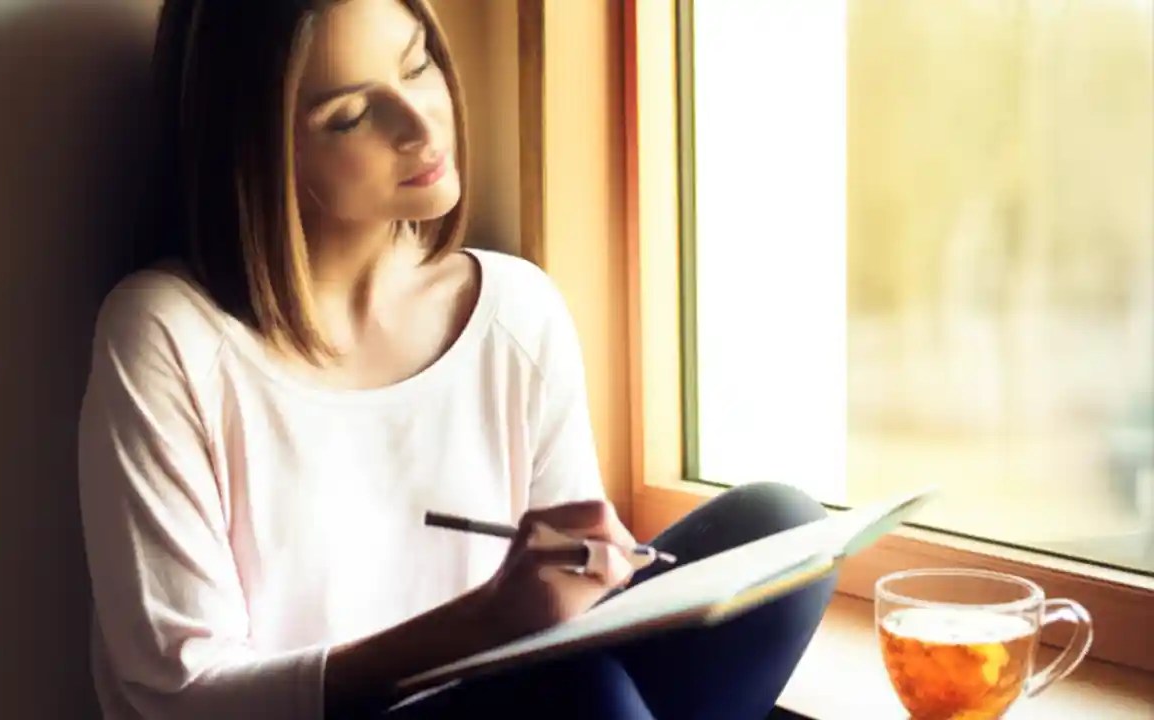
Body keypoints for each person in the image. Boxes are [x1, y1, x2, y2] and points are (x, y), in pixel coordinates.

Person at [76, 0, 834, 718]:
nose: (419, 124)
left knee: (782, 531)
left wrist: (576, 587)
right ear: (261, 150)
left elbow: (572, 618)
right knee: (577, 698)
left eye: (417, 66)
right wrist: (484, 623)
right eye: (351, 114)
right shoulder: (168, 335)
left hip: (537, 699)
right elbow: (176, 699)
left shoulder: (516, 311)